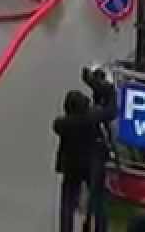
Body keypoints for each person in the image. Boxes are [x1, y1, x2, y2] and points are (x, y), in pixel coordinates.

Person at [53, 67, 118, 232]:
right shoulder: (92, 118)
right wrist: (100, 86)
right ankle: (100, 228)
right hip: (91, 165)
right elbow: (112, 110)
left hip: (71, 166)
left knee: (68, 201)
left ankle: (66, 228)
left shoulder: (61, 124)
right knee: (98, 200)